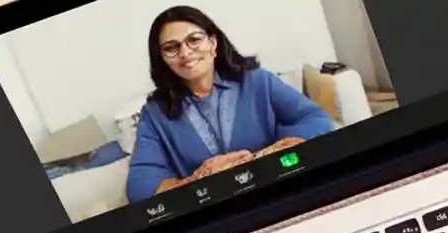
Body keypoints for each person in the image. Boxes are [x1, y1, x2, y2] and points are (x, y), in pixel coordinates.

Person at [126, 6, 334, 202]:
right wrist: (200, 178)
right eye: (171, 48)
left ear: (213, 43)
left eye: (194, 40)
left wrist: (269, 155)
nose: (185, 53)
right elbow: (139, 187)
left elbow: (315, 119)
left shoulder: (258, 81)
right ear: (162, 59)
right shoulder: (154, 114)